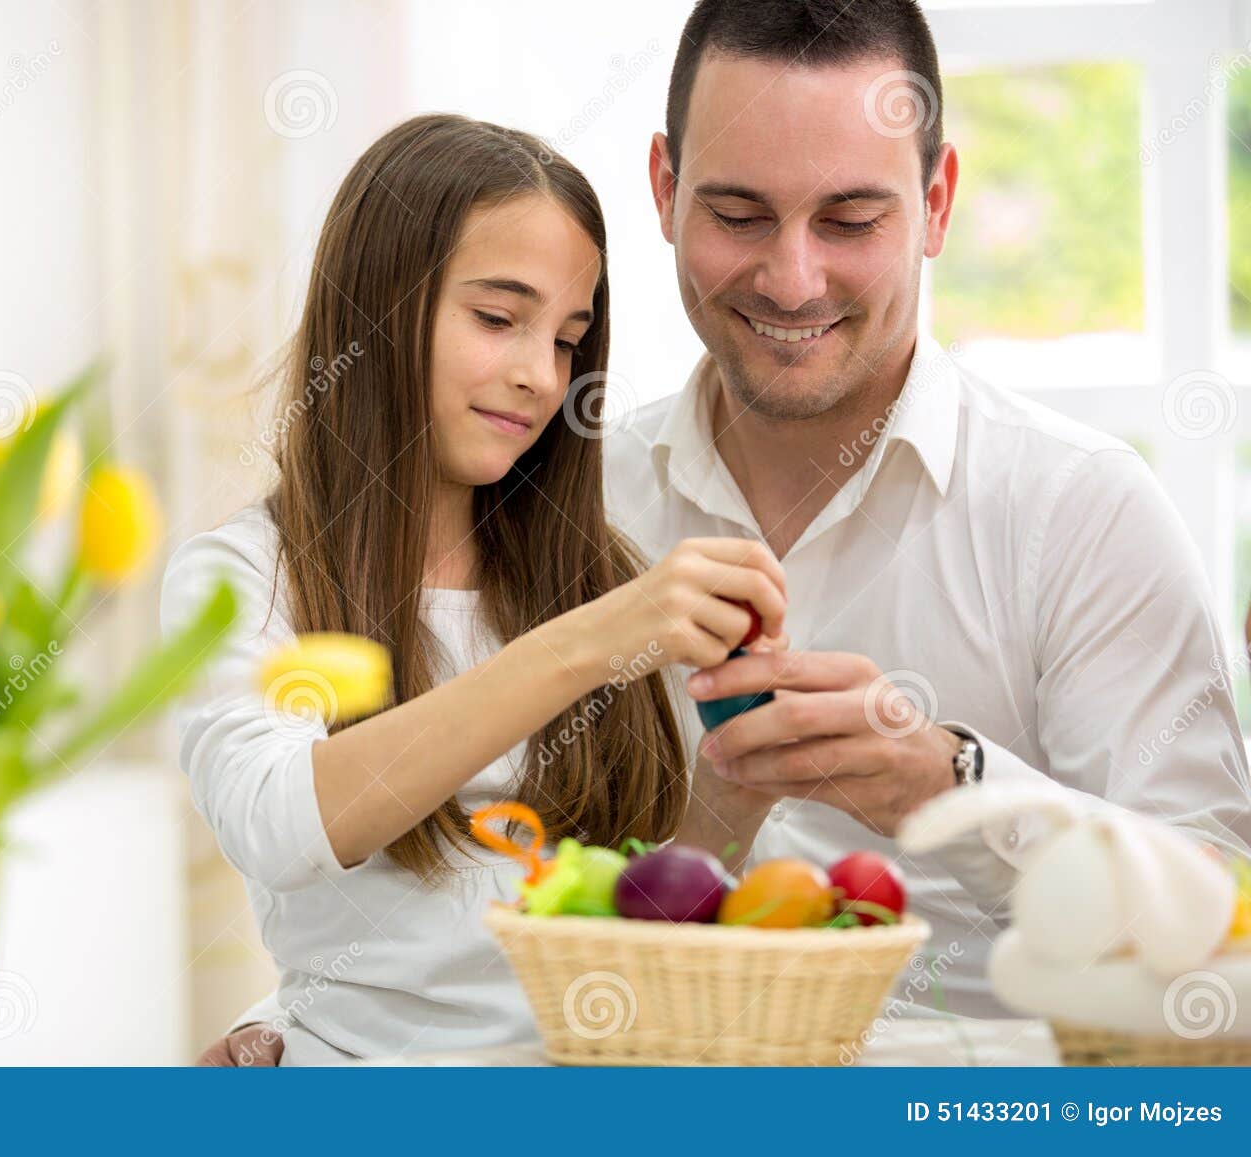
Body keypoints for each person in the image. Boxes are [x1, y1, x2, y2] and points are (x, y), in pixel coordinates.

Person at [204, 0, 1251, 1061]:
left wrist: (951, 783)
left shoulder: (1079, 509)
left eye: (849, 220)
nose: (792, 279)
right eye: (740, 215)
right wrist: (299, 1016)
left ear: (936, 204)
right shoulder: (557, 505)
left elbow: (1217, 918)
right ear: (663, 190)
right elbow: (452, 881)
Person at [163, 112, 787, 1066]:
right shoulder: (243, 576)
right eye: (498, 318)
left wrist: (731, 797)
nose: (540, 375)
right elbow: (280, 821)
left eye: (568, 338)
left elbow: (632, 911)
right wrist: (583, 644)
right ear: (375, 306)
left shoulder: (594, 573)